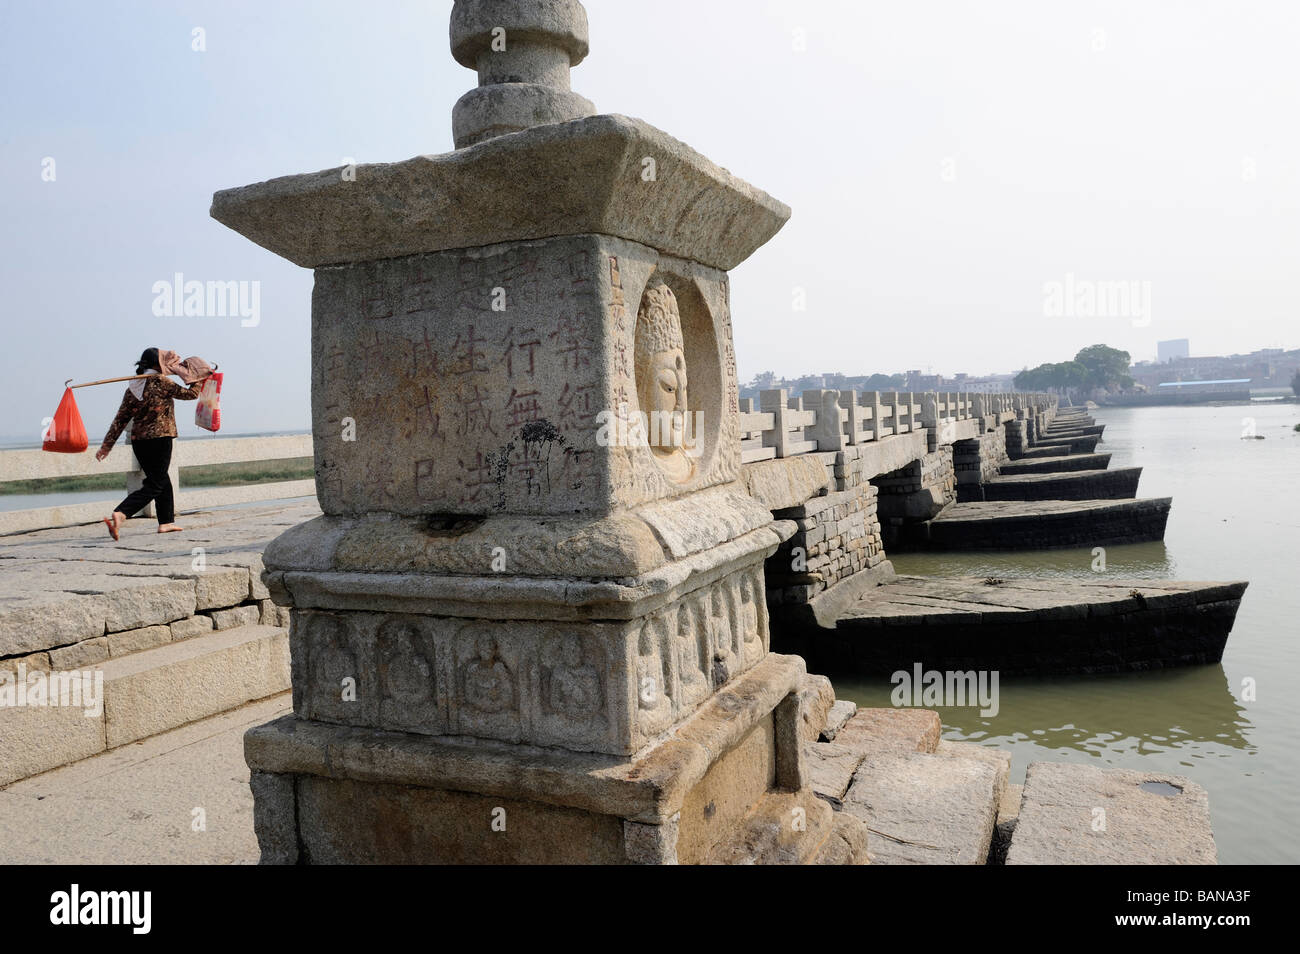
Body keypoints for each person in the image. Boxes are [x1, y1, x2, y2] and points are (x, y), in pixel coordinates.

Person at [95, 348, 204, 538]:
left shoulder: (133, 386)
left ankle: (166, 522)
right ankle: (122, 512)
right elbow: (190, 394)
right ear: (158, 364)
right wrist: (197, 379)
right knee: (156, 482)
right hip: (160, 438)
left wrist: (107, 445)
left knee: (161, 478)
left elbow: (120, 419)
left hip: (140, 441)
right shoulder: (160, 381)